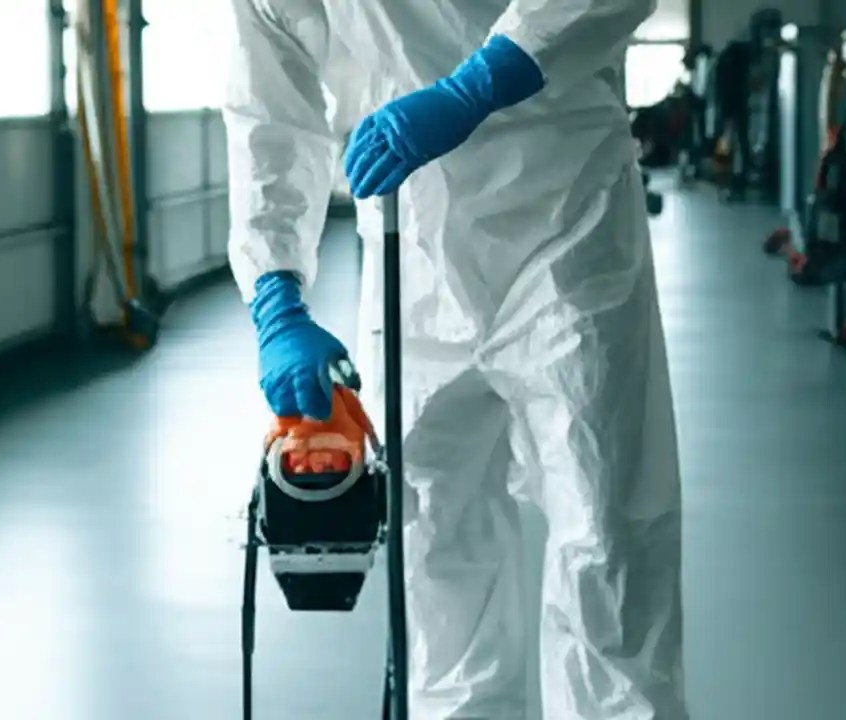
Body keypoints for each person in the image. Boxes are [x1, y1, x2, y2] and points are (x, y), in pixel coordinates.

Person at [224, 2, 686, 718]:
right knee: (435, 541)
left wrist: (481, 81)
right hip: (408, 239)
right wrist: (276, 299)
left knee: (607, 537)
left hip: (563, 218)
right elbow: (268, 116)